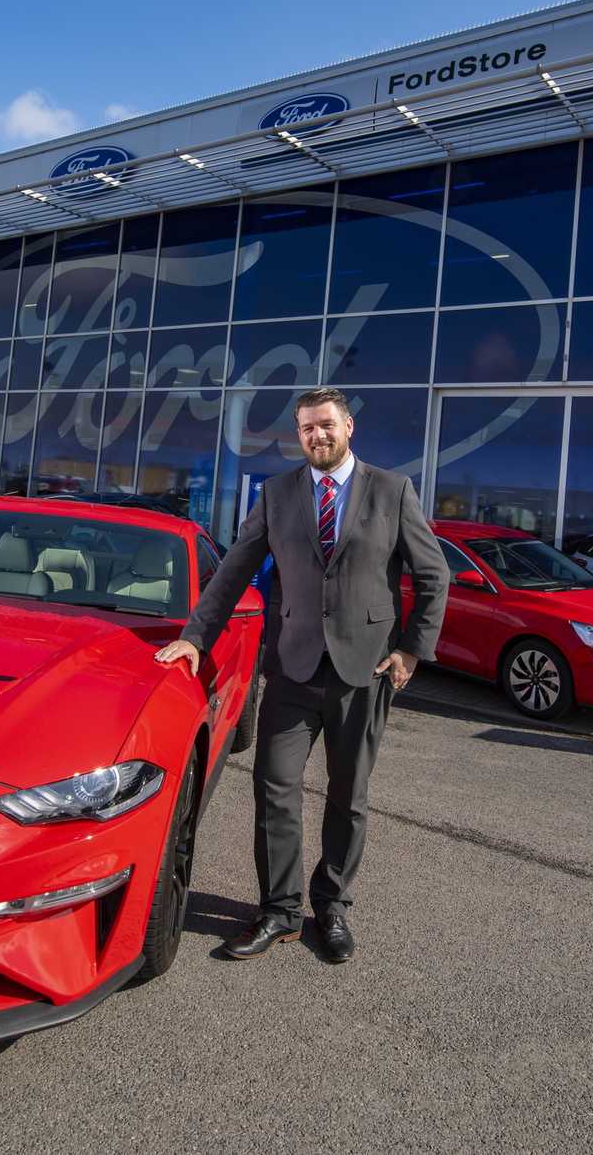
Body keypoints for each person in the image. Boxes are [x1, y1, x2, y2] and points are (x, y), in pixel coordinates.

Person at [155, 387, 448, 964]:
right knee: (276, 789)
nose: (317, 435)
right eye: (307, 427)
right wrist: (194, 637)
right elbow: (232, 572)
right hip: (290, 670)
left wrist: (412, 652)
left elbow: (434, 576)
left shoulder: (393, 491)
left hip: (364, 672)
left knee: (349, 797)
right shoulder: (278, 494)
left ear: (349, 427)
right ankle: (280, 910)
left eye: (327, 425)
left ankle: (332, 905)